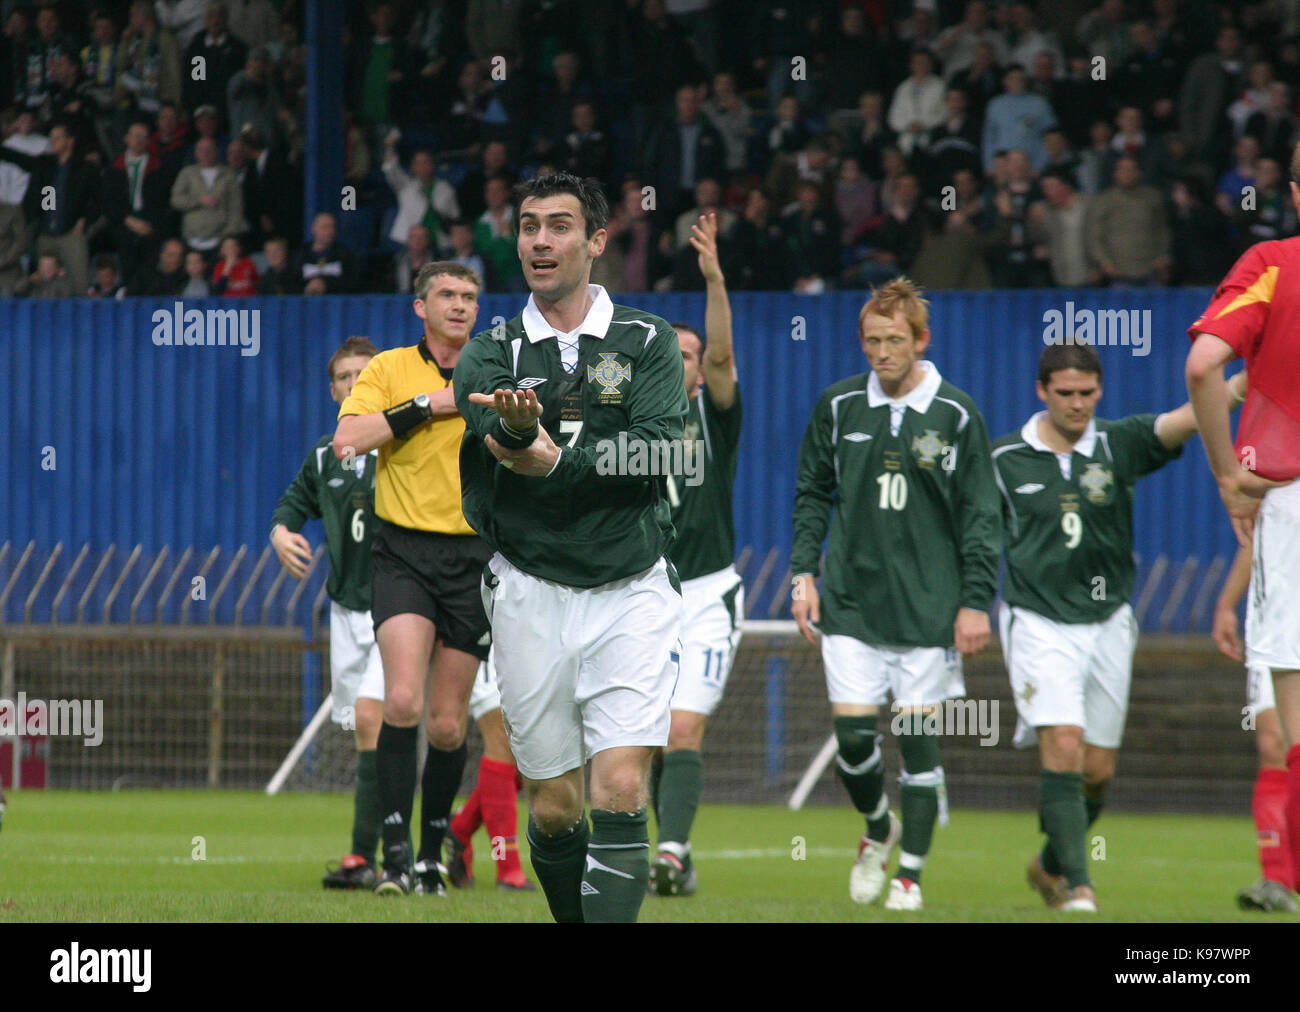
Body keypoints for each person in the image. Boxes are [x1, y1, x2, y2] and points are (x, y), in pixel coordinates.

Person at [452, 172, 688, 923]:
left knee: (620, 786)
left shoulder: (646, 341)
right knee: (555, 807)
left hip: (631, 589)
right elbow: (488, 429)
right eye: (528, 226)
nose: (540, 241)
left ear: (594, 240)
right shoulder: (490, 349)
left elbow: (662, 455)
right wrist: (515, 434)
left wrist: (560, 462)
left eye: (559, 226)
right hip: (529, 591)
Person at [993, 342, 1226, 913]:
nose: (1077, 404)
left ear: (1100, 391)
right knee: (1064, 743)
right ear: (1041, 392)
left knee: (1097, 769)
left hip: (1107, 620)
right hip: (1038, 618)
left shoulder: (1118, 444)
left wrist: (1243, 384)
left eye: (1088, 394)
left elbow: (1187, 419)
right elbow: (970, 535)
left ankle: (1048, 863)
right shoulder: (1003, 459)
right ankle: (1079, 887)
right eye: (1065, 393)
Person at [791, 277, 1000, 912]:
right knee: (854, 742)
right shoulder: (837, 406)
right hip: (851, 603)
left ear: (921, 340)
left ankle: (910, 874)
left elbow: (981, 515)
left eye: (895, 340)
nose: (883, 352)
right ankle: (879, 828)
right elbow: (810, 494)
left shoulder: (957, 414)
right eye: (872, 341)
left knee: (917, 744)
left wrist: (973, 601)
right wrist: (803, 572)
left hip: (929, 612)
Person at [333, 262, 492, 896]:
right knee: (401, 700)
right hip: (401, 552)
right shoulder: (389, 368)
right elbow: (349, 438)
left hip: (475, 557)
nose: (460, 306)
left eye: (470, 298)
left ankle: (432, 854)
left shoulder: (495, 364)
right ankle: (393, 855)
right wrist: (429, 406)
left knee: (450, 724)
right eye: (447, 296)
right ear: (420, 307)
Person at [1185, 149, 1300, 906]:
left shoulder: (1271, 262)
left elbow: (1202, 367)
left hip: (1289, 498)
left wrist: (1229, 475)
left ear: (1293, 191)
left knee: (1292, 723)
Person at [648, 212, 741, 897]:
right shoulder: (630, 428)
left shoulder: (715, 413)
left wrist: (713, 280)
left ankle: (674, 852)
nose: (683, 364)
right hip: (646, 594)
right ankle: (668, 852)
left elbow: (722, 355)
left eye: (688, 356)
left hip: (708, 595)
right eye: (669, 355)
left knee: (684, 727)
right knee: (647, 736)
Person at [271, 336, 385, 890]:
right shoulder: (325, 454)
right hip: (347, 611)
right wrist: (280, 531)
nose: (354, 383)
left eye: (365, 374)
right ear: (333, 387)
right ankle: (394, 852)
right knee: (369, 732)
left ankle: (388, 853)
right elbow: (293, 505)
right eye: (345, 376)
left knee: (392, 724)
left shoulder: (401, 441)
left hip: (402, 608)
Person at [1213, 543, 1298, 911]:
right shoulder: (1279, 487)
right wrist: (1226, 605)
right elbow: (1256, 538)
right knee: (1273, 743)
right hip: (1279, 622)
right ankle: (1276, 878)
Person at [443, 656, 535, 891]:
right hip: (491, 638)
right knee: (503, 740)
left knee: (530, 751)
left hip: (537, 639)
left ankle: (460, 828)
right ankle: (508, 868)